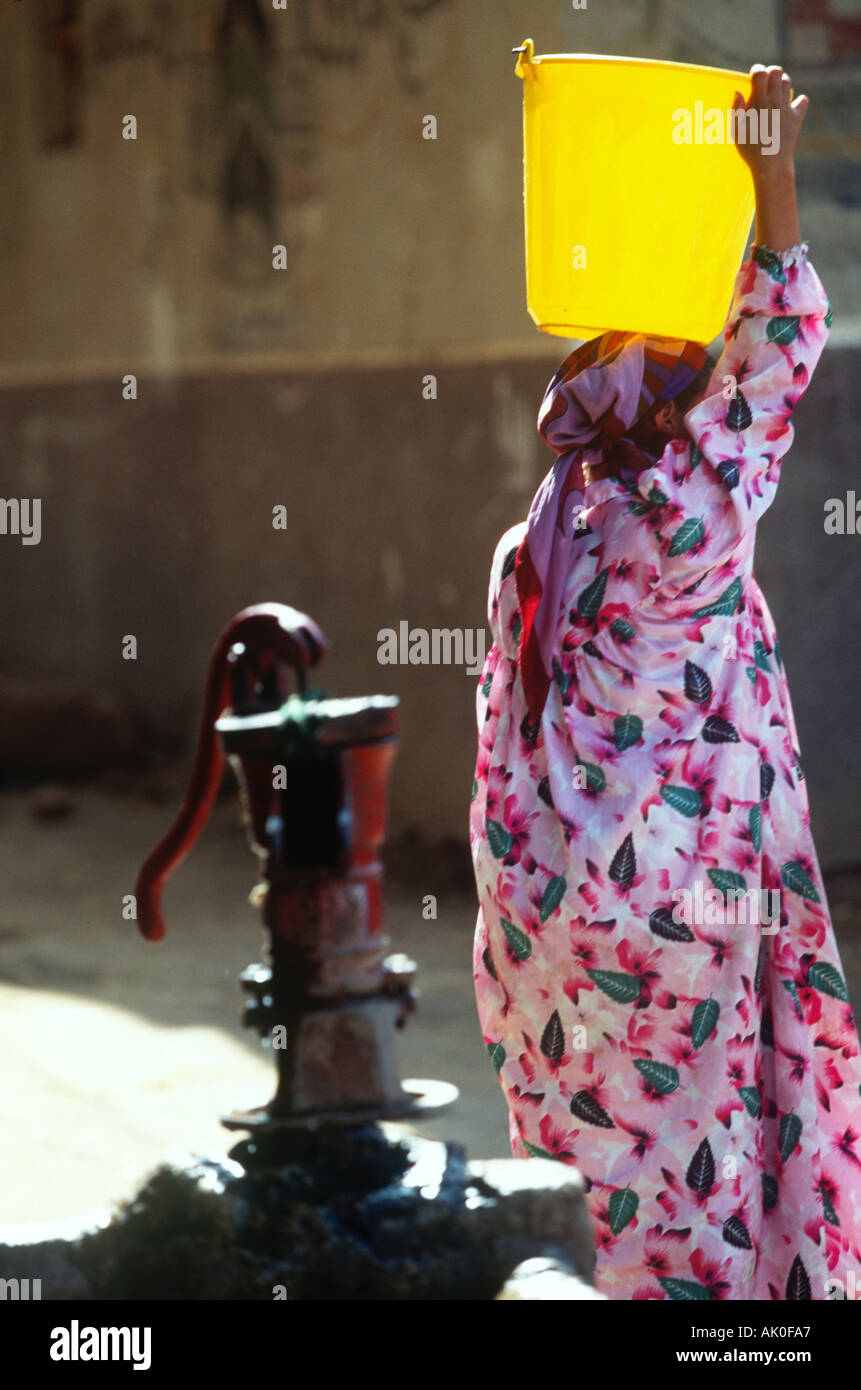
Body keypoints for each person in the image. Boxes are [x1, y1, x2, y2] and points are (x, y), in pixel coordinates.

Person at [470, 64, 861, 1300]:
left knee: (604, 1185)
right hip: (685, 925)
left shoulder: (541, 534)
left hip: (561, 927)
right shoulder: (691, 515)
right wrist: (771, 182)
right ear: (683, 407)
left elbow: (495, 745)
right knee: (709, 1194)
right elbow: (778, 365)